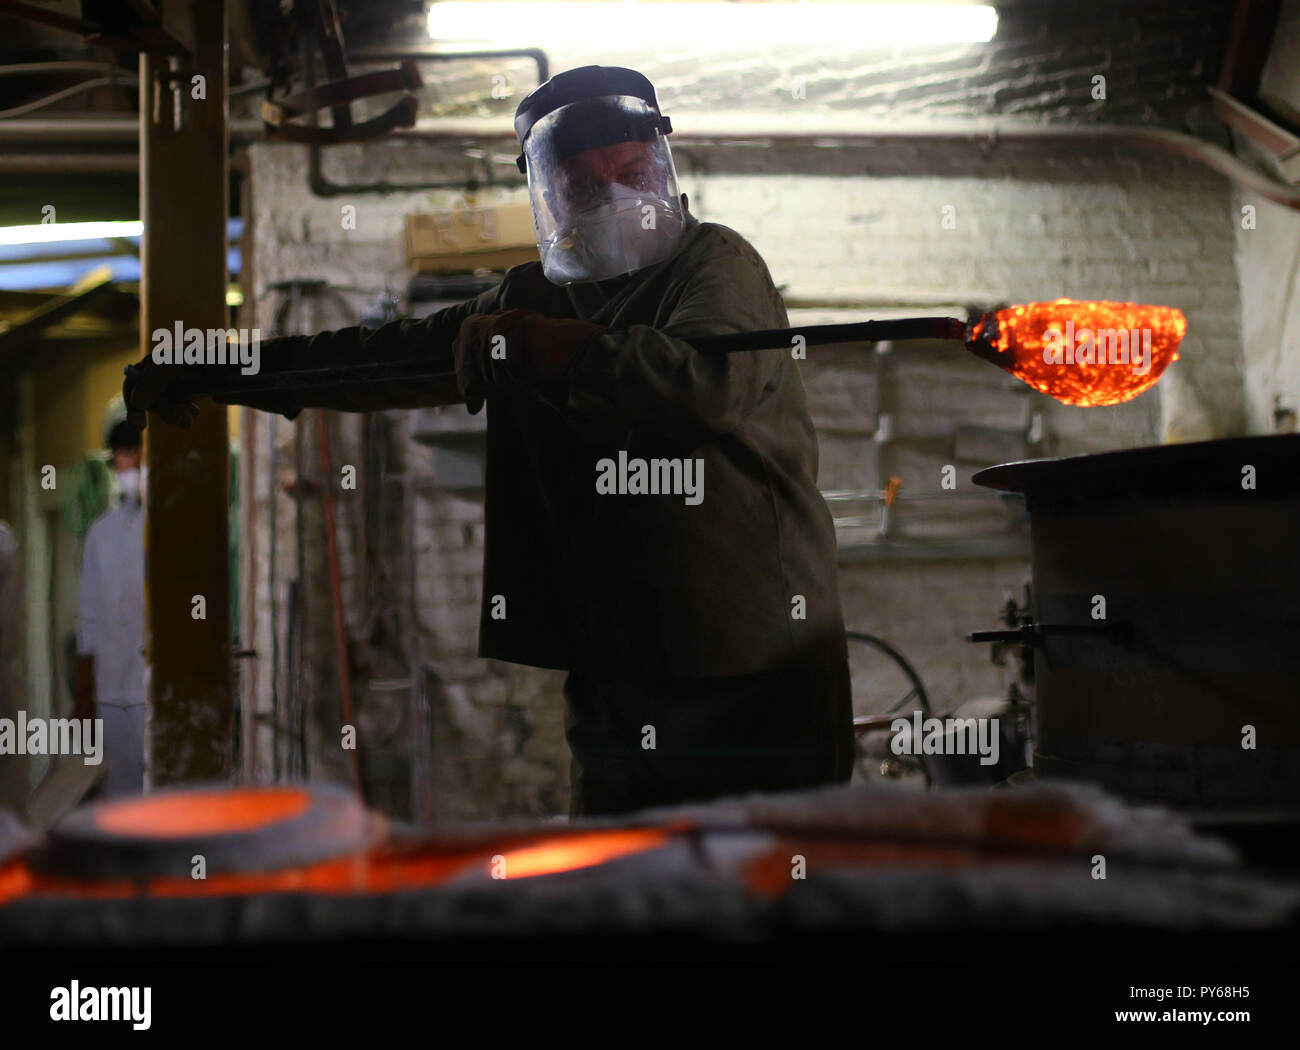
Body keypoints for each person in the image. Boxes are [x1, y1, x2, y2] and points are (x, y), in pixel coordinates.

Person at [125, 65, 853, 817]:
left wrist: (546, 349)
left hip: (756, 671)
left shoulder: (716, 265)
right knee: (619, 888)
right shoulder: (534, 296)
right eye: (588, 188)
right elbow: (385, 359)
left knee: (774, 888)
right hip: (620, 666)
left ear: (663, 167)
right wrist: (217, 369)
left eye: (634, 175)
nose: (619, 202)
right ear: (550, 195)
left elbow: (703, 385)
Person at [75, 414, 148, 797]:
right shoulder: (100, 534)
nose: (129, 464)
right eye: (122, 456)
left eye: (135, 454)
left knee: (165, 793)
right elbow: (88, 613)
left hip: (153, 687)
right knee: (121, 794)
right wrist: (85, 690)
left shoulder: (167, 527)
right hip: (112, 687)